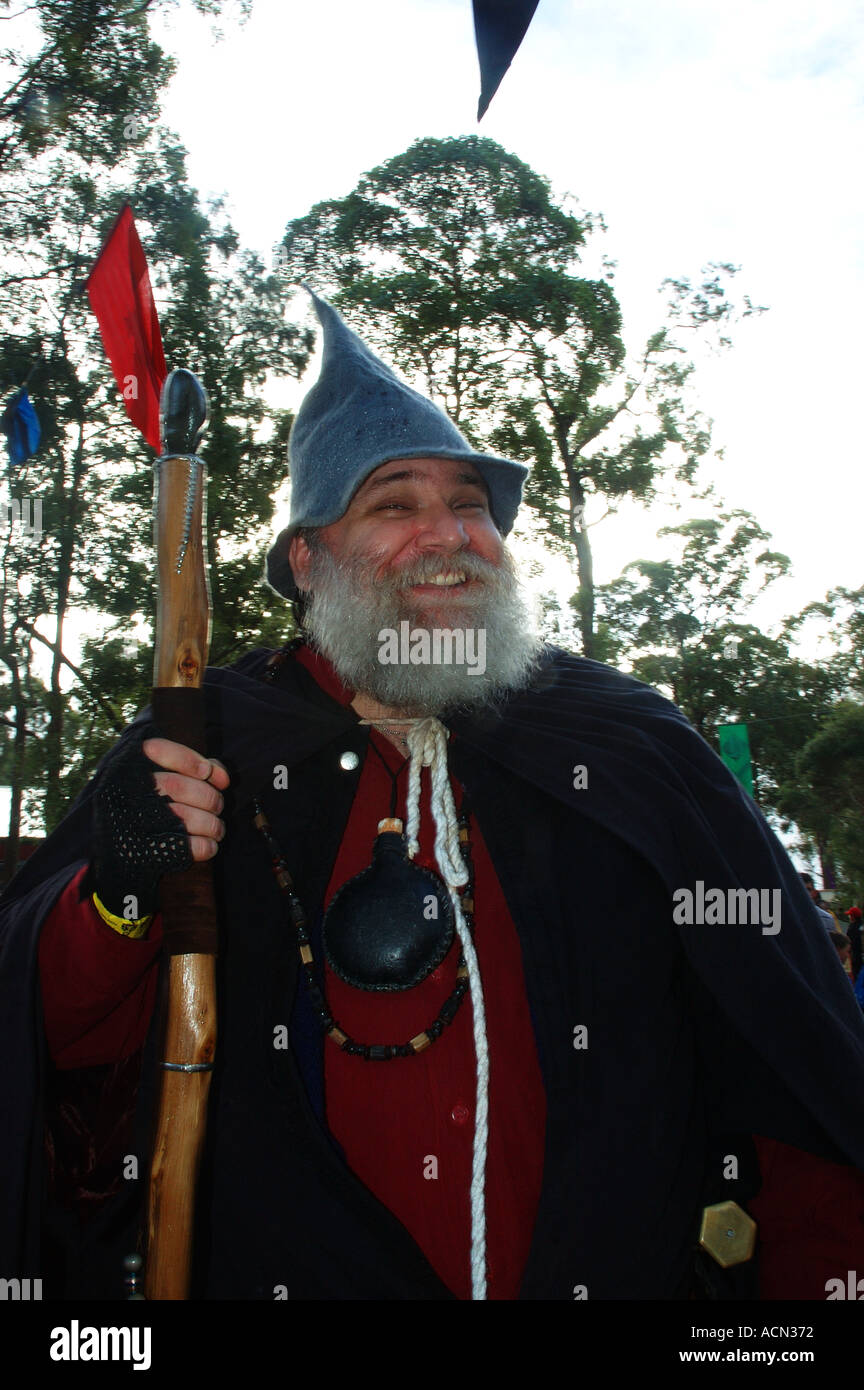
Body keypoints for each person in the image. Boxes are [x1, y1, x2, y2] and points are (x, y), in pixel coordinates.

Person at [2, 294, 864, 1303]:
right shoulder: (205, 739)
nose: (448, 534)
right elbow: (54, 1042)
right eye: (395, 504)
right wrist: (122, 891)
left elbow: (795, 1069)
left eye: (470, 505)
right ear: (308, 560)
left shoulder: (631, 744)